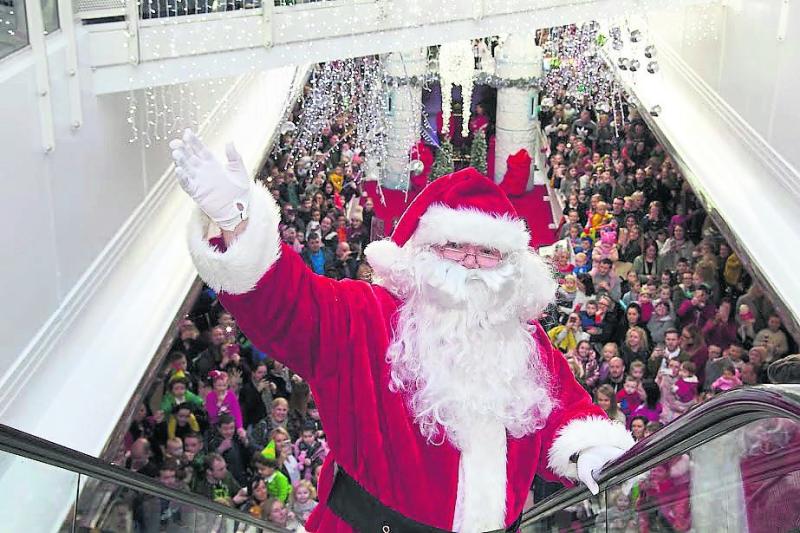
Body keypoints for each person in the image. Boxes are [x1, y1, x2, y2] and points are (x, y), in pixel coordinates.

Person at [172, 134, 633, 532]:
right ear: (421, 253)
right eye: (454, 246)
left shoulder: (524, 338)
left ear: (513, 264)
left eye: (488, 251)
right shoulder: (366, 315)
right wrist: (237, 222)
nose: (471, 262)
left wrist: (589, 448)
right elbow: (288, 308)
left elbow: (564, 406)